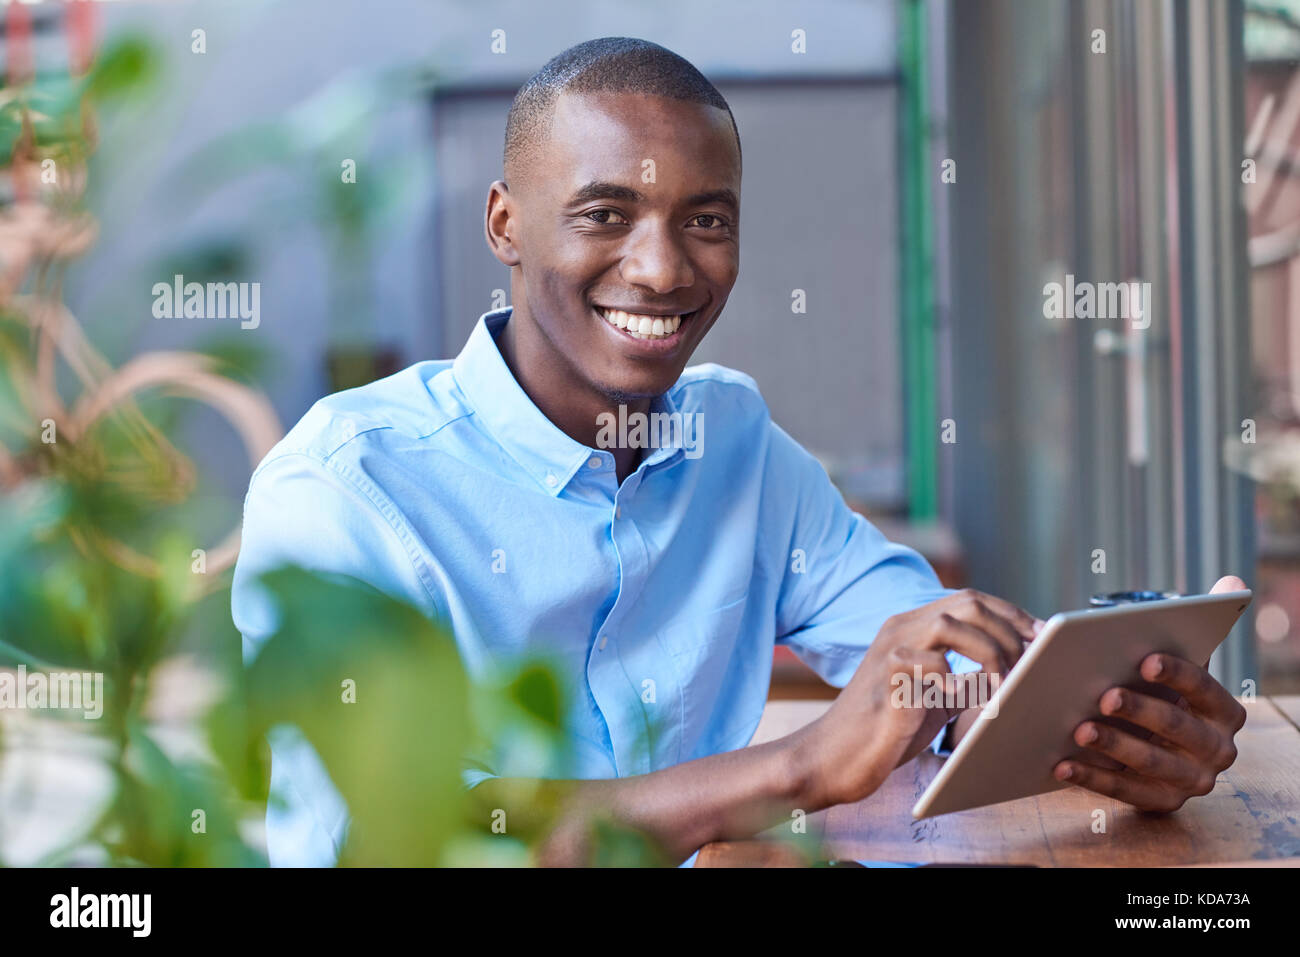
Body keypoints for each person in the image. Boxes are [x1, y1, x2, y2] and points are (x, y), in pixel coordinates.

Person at [231, 36, 1249, 867]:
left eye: (705, 220)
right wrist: (797, 767)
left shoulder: (732, 436)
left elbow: (918, 657)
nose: (663, 267)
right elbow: (390, 839)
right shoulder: (346, 488)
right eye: (605, 215)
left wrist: (1099, 731)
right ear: (506, 224)